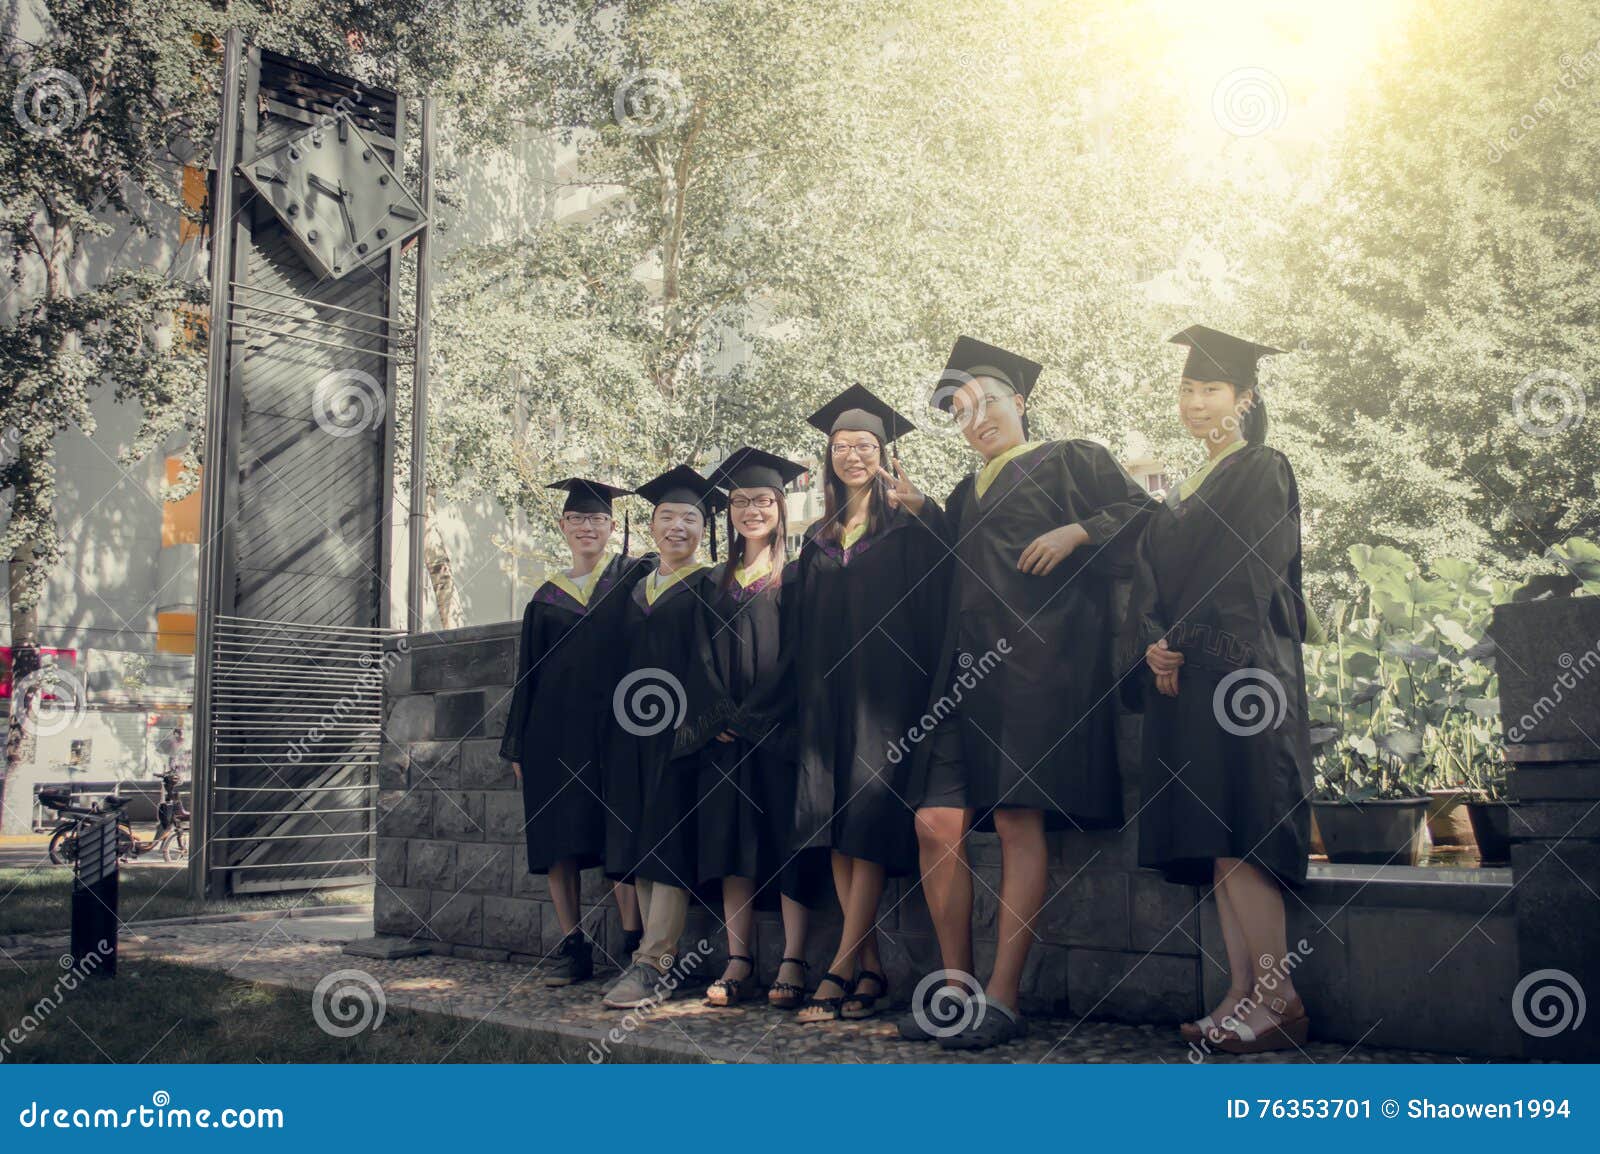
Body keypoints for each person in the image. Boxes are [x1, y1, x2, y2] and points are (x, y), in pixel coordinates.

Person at [901, 337, 1156, 1049]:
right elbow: (955, 565)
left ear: (1020, 402)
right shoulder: (962, 493)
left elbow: (1143, 516)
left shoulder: (1072, 457)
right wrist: (922, 509)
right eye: (959, 411)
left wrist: (1079, 529)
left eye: (985, 403)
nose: (975, 418)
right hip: (964, 676)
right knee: (935, 823)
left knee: (1017, 821)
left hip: (1040, 672)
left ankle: (1004, 999)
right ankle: (954, 990)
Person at [1127, 324, 1314, 1054]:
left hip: (1243, 677)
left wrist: (1183, 642)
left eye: (1211, 390)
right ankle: (1242, 992)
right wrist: (1152, 638)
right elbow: (1154, 578)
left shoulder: (1263, 467)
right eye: (1187, 390)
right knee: (1216, 840)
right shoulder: (1182, 486)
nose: (1197, 403)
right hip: (1185, 679)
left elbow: (1247, 572)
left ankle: (1279, 996)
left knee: (1244, 832)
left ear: (1244, 398)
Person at [785, 384, 951, 1024]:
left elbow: (943, 596)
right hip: (824, 700)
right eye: (841, 446)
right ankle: (871, 968)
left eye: (865, 445)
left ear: (885, 454)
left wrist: (928, 511)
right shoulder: (820, 538)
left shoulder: (909, 527)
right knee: (835, 825)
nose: (852, 455)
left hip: (887, 700)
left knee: (868, 825)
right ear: (828, 456)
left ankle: (839, 966)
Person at [674, 446, 831, 1009]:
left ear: (781, 506)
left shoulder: (797, 575)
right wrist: (717, 715)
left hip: (780, 733)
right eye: (740, 502)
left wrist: (755, 715)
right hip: (723, 738)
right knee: (730, 841)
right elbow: (698, 660)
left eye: (762, 500)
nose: (751, 510)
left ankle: (792, 957)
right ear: (729, 513)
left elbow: (801, 654)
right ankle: (739, 957)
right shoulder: (712, 582)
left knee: (786, 841)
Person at [499, 478, 651, 986]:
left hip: (615, 733)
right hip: (552, 738)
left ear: (612, 527)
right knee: (557, 842)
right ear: (563, 526)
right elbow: (528, 674)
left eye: (598, 520)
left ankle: (634, 945)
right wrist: (518, 743)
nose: (588, 527)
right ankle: (573, 948)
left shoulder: (632, 581)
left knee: (617, 839)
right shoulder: (544, 598)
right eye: (578, 519)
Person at [601, 465, 727, 1010]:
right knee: (639, 838)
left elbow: (716, 661)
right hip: (631, 733)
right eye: (667, 516)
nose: (678, 526)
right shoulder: (632, 589)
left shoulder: (710, 585)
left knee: (668, 840)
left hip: (683, 734)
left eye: (690, 518)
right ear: (651, 524)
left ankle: (657, 961)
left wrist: (702, 724)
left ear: (705, 529)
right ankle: (649, 956)